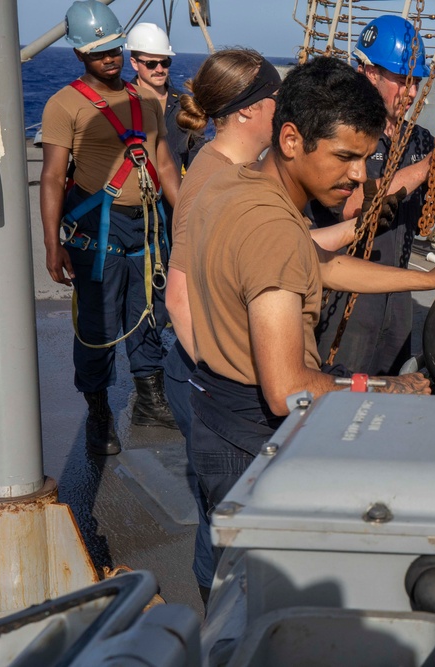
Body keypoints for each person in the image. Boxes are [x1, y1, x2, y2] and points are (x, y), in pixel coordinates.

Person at [185, 56, 435, 527]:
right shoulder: (275, 232)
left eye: (365, 158)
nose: (360, 176)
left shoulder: (229, 184)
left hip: (212, 409)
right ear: (290, 140)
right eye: (345, 157)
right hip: (252, 439)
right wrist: (391, 388)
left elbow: (322, 264)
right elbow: (289, 391)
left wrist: (429, 279)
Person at [163, 48, 282, 606]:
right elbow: (179, 295)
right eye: (276, 98)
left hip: (215, 380)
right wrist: (229, 375)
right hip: (209, 383)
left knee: (226, 518)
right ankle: (219, 630)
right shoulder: (213, 179)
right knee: (227, 526)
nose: (283, 108)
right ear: (248, 111)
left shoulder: (235, 169)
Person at [40, 0, 181, 456]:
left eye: (116, 48)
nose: (112, 57)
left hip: (146, 230)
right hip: (97, 232)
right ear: (80, 54)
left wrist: (189, 225)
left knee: (147, 317)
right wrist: (51, 247)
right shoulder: (64, 105)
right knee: (99, 324)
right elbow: (50, 177)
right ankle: (98, 411)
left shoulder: (146, 102)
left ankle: (150, 400)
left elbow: (164, 164)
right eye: (100, 52)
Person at [311, 15, 435, 375]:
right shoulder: (343, 132)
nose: (411, 94)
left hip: (396, 292)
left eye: (416, 83)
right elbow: (350, 205)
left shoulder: (419, 137)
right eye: (402, 81)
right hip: (346, 290)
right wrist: (425, 167)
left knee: (390, 394)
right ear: (370, 74)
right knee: (337, 396)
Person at [125, 23, 204, 176]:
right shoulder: (120, 103)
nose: (160, 70)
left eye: (165, 62)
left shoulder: (185, 105)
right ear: (134, 63)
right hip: (133, 196)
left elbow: (195, 159)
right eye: (151, 64)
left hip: (174, 196)